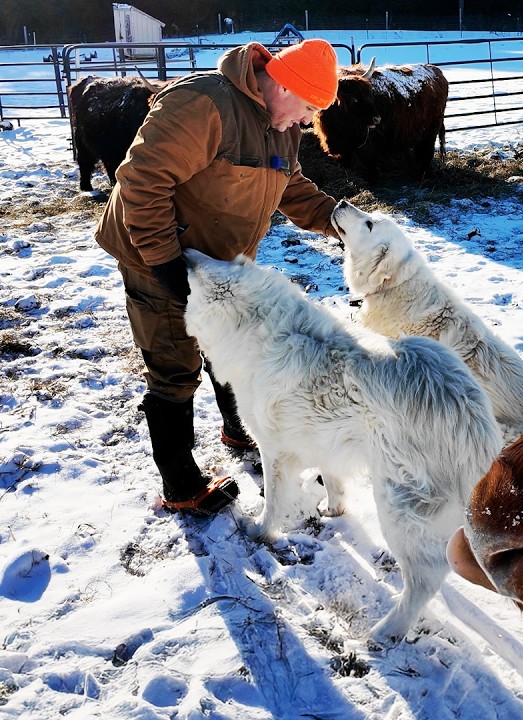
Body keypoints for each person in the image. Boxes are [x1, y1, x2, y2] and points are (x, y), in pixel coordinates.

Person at [95, 39, 342, 515]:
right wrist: (166, 264)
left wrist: (342, 223)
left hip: (219, 263)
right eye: (310, 108)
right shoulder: (204, 104)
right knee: (173, 363)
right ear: (286, 84)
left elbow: (287, 182)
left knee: (229, 347)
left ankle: (239, 429)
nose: (309, 122)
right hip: (155, 253)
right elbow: (141, 182)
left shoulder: (279, 124)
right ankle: (181, 484)